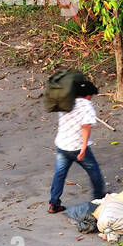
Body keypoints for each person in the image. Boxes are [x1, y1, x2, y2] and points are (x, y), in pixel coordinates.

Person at [49, 80, 106, 214]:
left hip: (62, 145)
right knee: (94, 171)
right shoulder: (87, 105)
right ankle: (99, 197)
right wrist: (84, 147)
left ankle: (54, 203)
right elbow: (86, 127)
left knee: (60, 174)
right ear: (87, 95)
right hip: (77, 147)